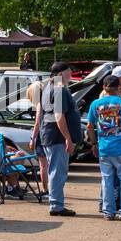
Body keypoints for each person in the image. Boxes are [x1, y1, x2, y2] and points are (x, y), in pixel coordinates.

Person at [86, 75, 121, 220]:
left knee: (107, 180)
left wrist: (94, 144)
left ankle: (108, 211)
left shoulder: (95, 104)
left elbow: (90, 126)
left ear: (104, 87)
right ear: (118, 88)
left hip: (104, 148)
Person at [35, 62, 80, 217]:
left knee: (55, 170)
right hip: (56, 136)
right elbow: (58, 116)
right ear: (60, 74)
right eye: (69, 71)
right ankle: (56, 205)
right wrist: (68, 138)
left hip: (49, 134)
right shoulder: (59, 89)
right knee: (57, 171)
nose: (71, 74)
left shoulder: (47, 88)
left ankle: (56, 203)